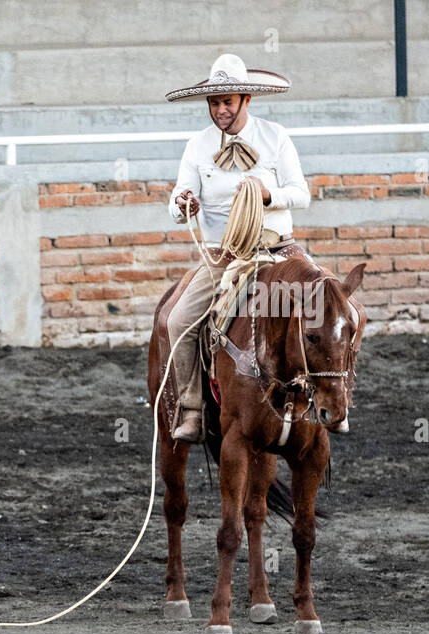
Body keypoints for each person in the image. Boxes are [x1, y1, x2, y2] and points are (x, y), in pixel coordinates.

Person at [165, 53, 310, 443]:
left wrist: (266, 195)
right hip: (222, 255)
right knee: (178, 321)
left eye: (228, 101)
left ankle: (329, 397)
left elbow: (302, 194)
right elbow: (177, 198)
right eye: (214, 102)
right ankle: (193, 410)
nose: (220, 109)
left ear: (246, 99)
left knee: (333, 308)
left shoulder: (275, 137)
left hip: (278, 249)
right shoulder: (197, 146)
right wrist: (183, 204)